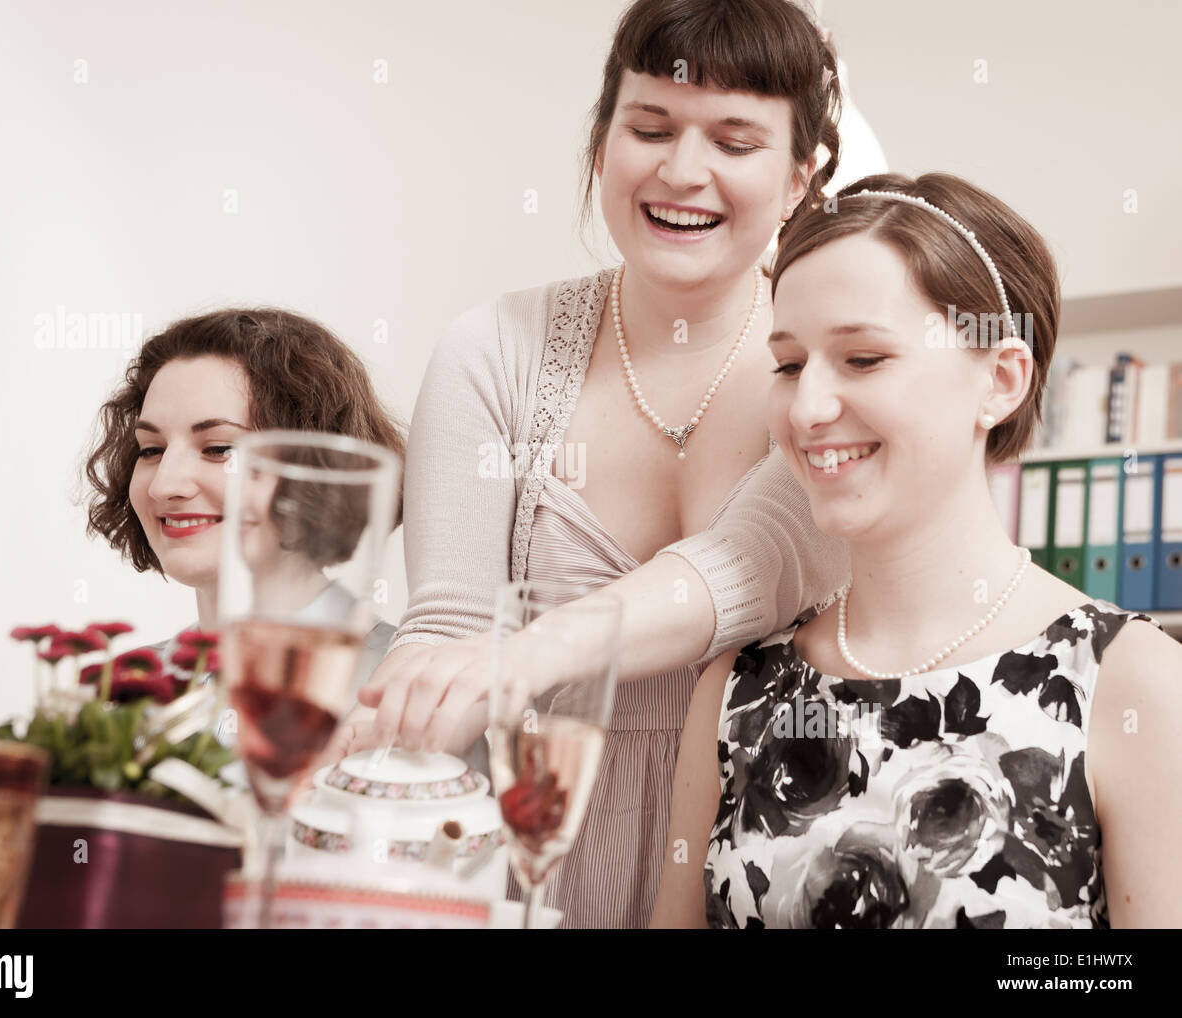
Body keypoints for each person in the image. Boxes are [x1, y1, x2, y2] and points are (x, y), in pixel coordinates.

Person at [347, 0, 851, 929]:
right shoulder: (493, 348)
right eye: (649, 127)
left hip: (762, 865)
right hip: (527, 858)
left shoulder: (828, 372)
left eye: (736, 141)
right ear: (599, 147)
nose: (682, 170)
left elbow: (744, 565)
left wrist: (526, 655)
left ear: (798, 181)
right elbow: (450, 629)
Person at [649, 172, 1182, 928]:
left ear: (1000, 380)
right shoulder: (737, 690)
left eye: (863, 359)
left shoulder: (1133, 684)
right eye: (790, 364)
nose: (807, 408)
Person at [82, 307, 405, 683]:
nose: (164, 486)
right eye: (150, 450)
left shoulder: (402, 690)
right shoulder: (120, 694)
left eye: (219, 449)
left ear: (320, 469)